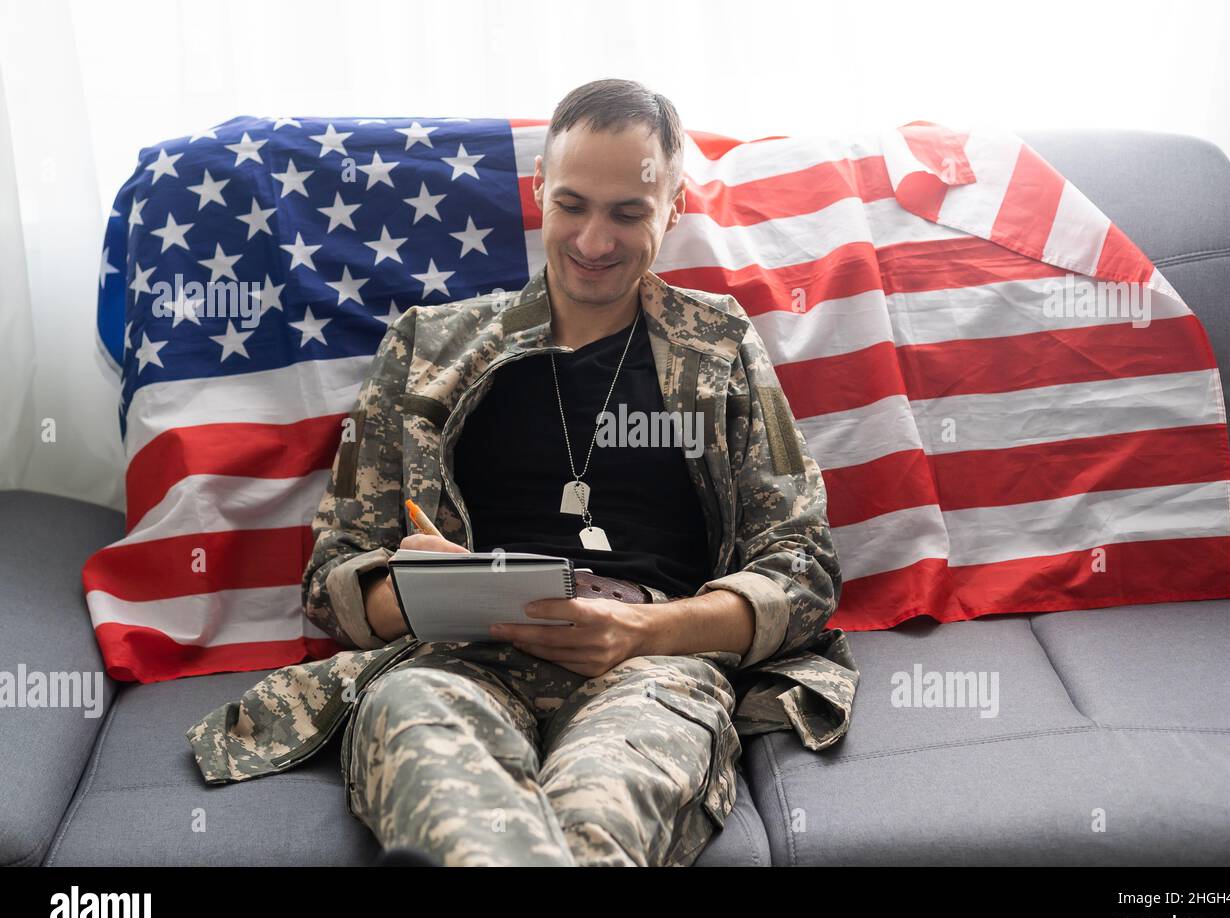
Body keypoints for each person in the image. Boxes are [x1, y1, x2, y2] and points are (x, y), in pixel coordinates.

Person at [186, 77, 859, 867]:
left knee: (599, 828)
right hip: (448, 665)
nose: (594, 240)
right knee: (457, 807)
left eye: (628, 212)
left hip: (652, 670)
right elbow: (334, 574)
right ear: (541, 191)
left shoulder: (717, 347)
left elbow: (803, 566)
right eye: (572, 205)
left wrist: (644, 630)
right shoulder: (429, 349)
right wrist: (410, 594)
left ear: (674, 208)